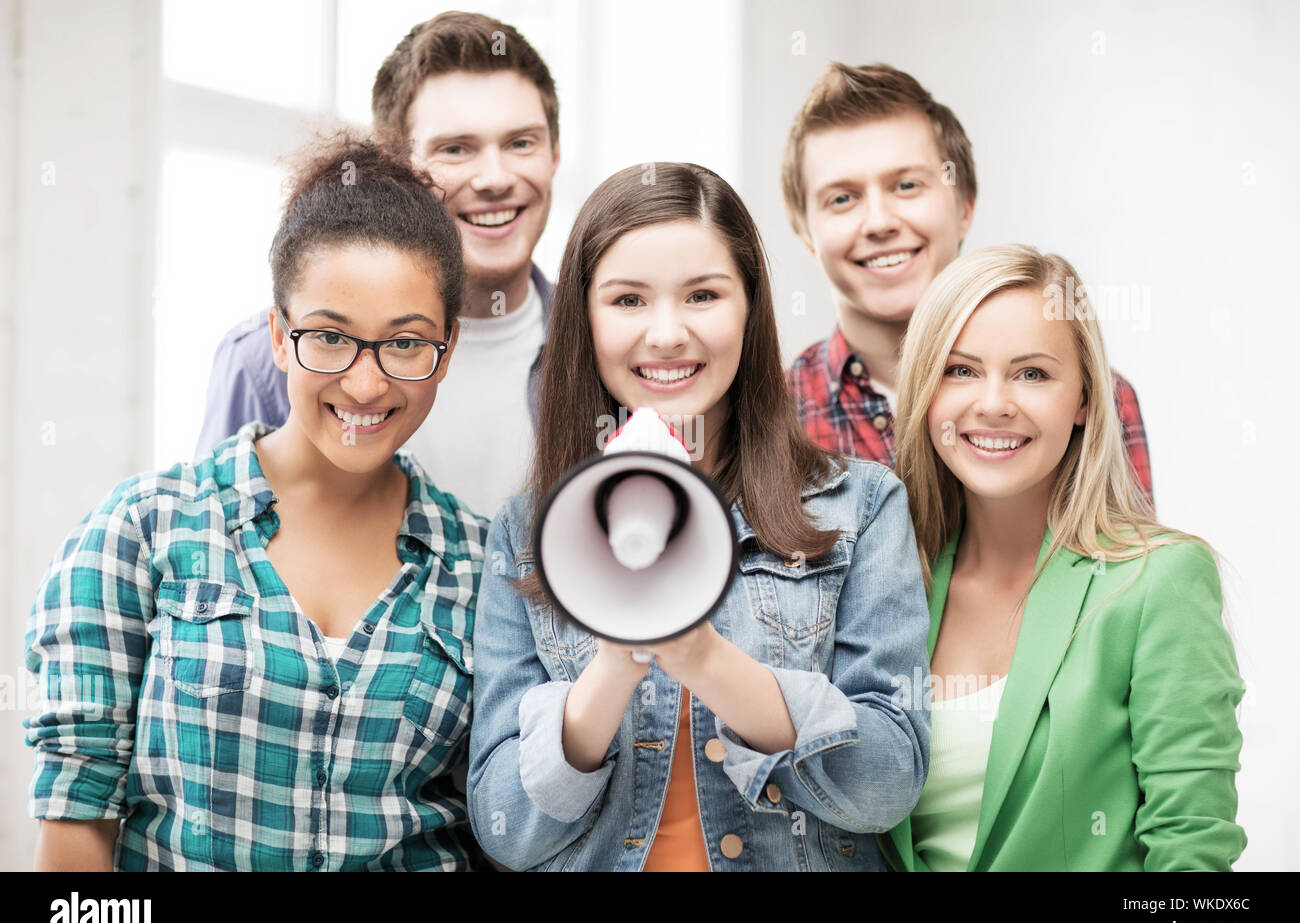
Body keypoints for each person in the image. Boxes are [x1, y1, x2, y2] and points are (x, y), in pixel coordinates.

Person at [24, 136, 488, 871]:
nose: (366, 385)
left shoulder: (479, 566)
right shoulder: (140, 531)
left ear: (448, 346)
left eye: (405, 344)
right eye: (329, 337)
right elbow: (76, 827)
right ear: (276, 334)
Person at [466, 162, 931, 872]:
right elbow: (506, 828)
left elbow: (888, 782)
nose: (667, 333)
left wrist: (703, 659)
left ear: (750, 308)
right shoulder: (526, 535)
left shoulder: (860, 507)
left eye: (703, 295)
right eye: (627, 300)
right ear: (583, 318)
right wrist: (619, 657)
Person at [880, 244, 1246, 871]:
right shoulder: (886, 582)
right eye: (961, 370)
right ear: (924, 391)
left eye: (1032, 374)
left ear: (1083, 400)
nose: (993, 402)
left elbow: (1194, 861)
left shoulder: (1159, 581)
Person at [196, 11, 561, 519]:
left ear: (554, 154)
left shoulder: (602, 343)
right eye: (456, 149)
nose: (495, 178)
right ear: (396, 163)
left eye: (521, 143)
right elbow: (215, 536)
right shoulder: (262, 355)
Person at [781, 63, 1155, 509]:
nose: (879, 222)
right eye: (842, 198)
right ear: (807, 235)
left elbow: (1129, 568)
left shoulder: (1092, 401)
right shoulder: (776, 418)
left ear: (964, 207)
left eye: (907, 185)